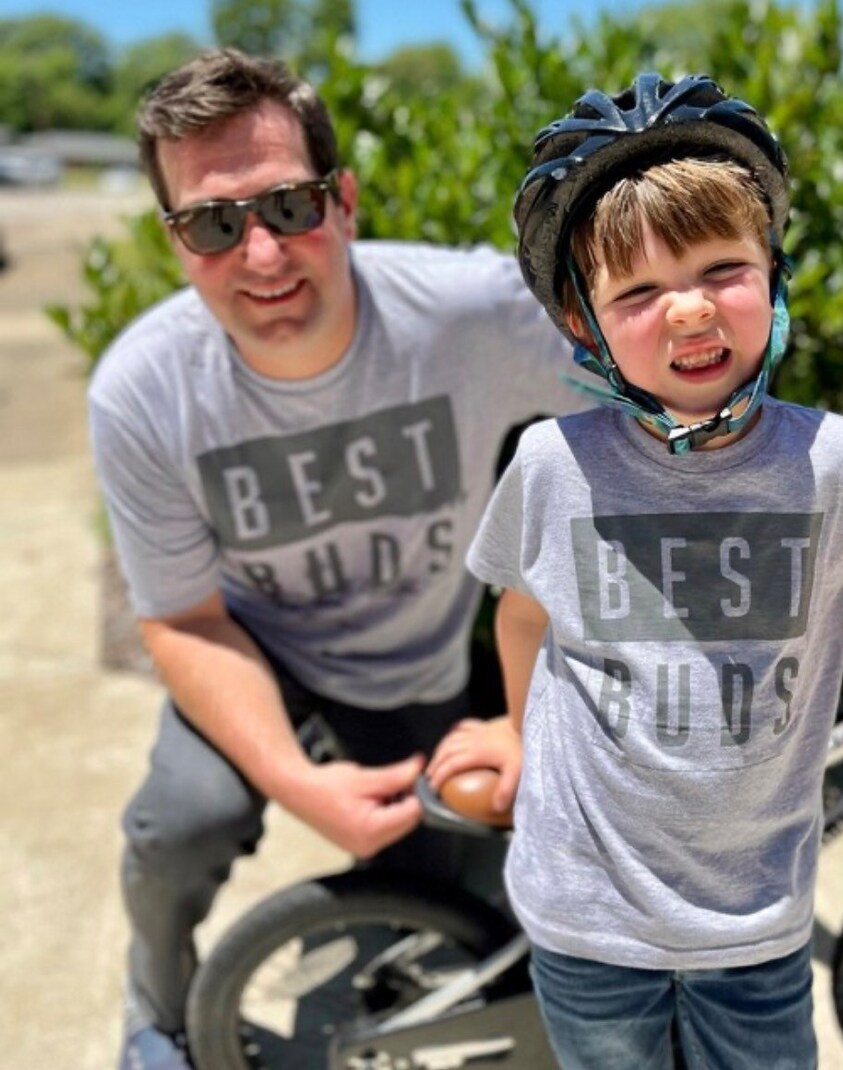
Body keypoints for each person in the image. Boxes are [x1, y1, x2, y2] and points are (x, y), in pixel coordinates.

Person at [427, 73, 843, 1069]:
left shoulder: (838, 460)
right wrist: (516, 729)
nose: (686, 309)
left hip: (756, 917)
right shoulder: (555, 462)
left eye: (722, 268)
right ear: (579, 319)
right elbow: (522, 615)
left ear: (773, 270)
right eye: (636, 291)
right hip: (585, 911)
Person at [88, 48, 584, 1070]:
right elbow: (181, 619)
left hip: (428, 667)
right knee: (178, 822)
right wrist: (292, 779)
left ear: (344, 200)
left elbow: (657, 387)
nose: (262, 253)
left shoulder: (473, 315)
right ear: (177, 241)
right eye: (215, 222)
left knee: (457, 929)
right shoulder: (142, 391)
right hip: (260, 656)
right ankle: (158, 1006)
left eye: (289, 206)